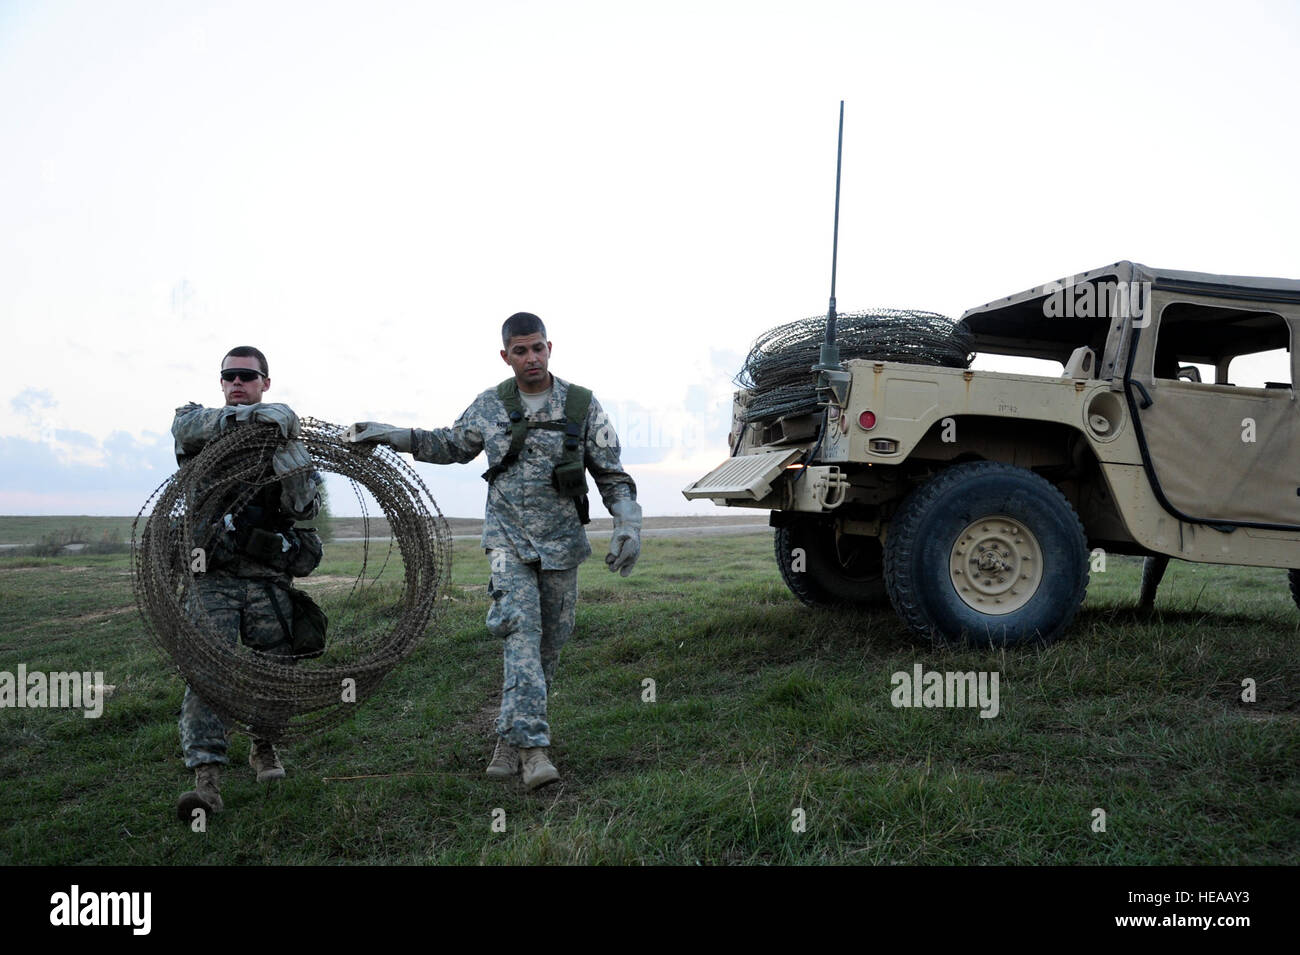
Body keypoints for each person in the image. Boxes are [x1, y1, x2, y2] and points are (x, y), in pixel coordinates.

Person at [346, 312, 641, 790]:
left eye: (538, 348)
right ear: (506, 356)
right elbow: (448, 444)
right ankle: (535, 752)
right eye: (520, 351)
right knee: (520, 633)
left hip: (562, 545)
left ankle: (509, 737)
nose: (531, 358)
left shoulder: (583, 405)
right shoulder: (490, 406)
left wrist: (628, 522)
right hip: (506, 543)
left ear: (550, 348)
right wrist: (390, 435)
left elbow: (611, 474)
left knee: (549, 647)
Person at [171, 346, 324, 821]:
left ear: (265, 382)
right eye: (229, 376)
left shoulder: (284, 441)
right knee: (207, 671)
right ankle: (207, 781)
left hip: (265, 580)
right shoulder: (200, 427)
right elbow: (184, 426)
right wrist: (247, 421)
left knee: (274, 672)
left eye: (247, 376)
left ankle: (264, 747)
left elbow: (305, 510)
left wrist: (291, 464)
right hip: (212, 576)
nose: (237, 383)